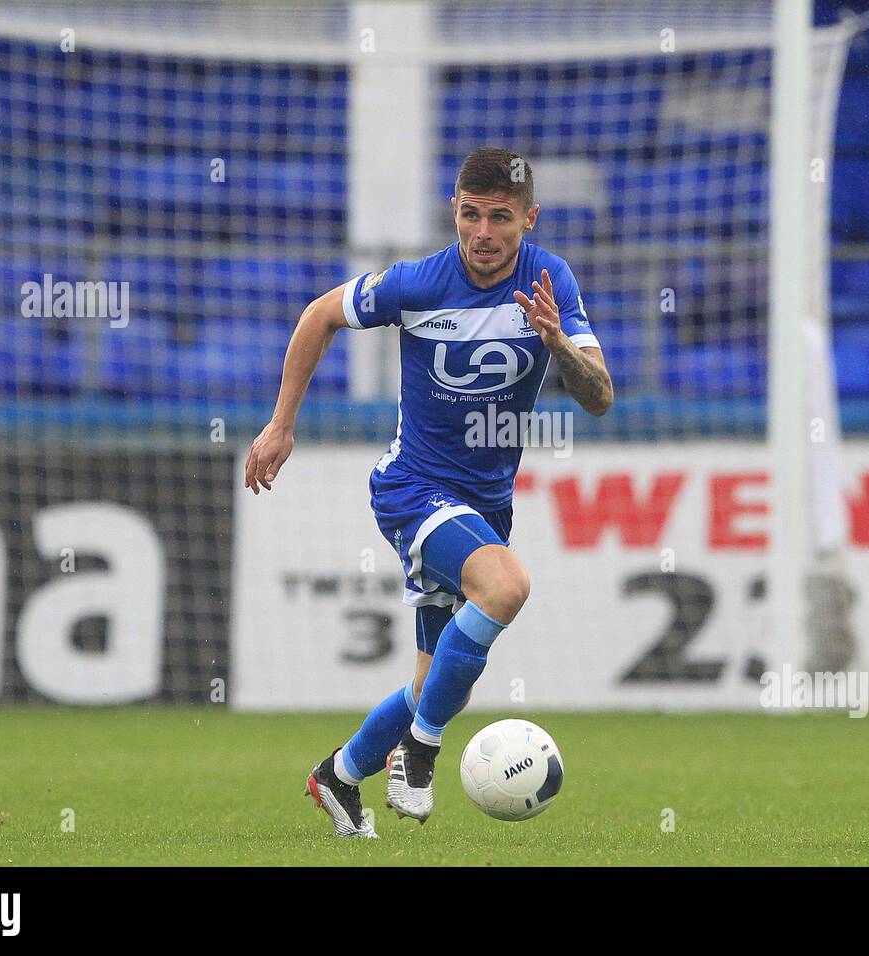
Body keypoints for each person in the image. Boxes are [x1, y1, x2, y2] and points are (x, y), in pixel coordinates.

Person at [244, 146, 613, 837]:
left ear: (528, 219)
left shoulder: (550, 282)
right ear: (454, 210)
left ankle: (340, 775)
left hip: (484, 504)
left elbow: (600, 397)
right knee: (505, 587)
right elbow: (319, 315)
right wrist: (280, 424)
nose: (481, 233)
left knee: (432, 684)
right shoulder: (417, 282)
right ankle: (418, 754)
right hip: (413, 488)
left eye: (499, 218)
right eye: (469, 214)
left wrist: (558, 343)